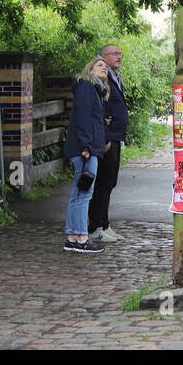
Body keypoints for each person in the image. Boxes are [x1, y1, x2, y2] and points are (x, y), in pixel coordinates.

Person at [63, 57, 110, 253]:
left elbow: (91, 119)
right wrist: (87, 147)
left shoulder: (94, 90)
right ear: (89, 68)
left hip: (86, 147)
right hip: (84, 149)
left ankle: (73, 236)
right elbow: (83, 119)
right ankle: (81, 237)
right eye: (100, 65)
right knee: (84, 193)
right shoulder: (86, 87)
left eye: (105, 67)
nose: (104, 68)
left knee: (78, 192)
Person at [87, 43, 128, 242]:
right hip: (108, 137)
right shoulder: (102, 76)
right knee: (103, 183)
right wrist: (106, 135)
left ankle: (104, 223)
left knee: (110, 182)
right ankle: (96, 226)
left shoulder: (114, 75)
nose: (118, 56)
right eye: (114, 53)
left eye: (119, 53)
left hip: (116, 135)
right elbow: (102, 107)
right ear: (103, 56)